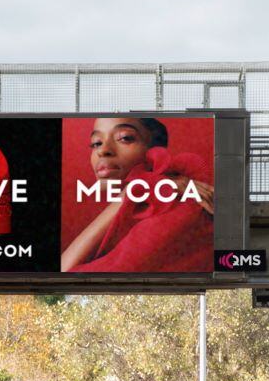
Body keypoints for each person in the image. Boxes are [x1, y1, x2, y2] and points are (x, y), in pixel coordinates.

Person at [61, 116, 215, 273]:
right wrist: (132, 192)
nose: (102, 150)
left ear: (154, 151)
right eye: (96, 143)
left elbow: (67, 274)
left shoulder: (179, 212)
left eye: (125, 138)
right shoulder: (142, 206)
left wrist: (135, 190)